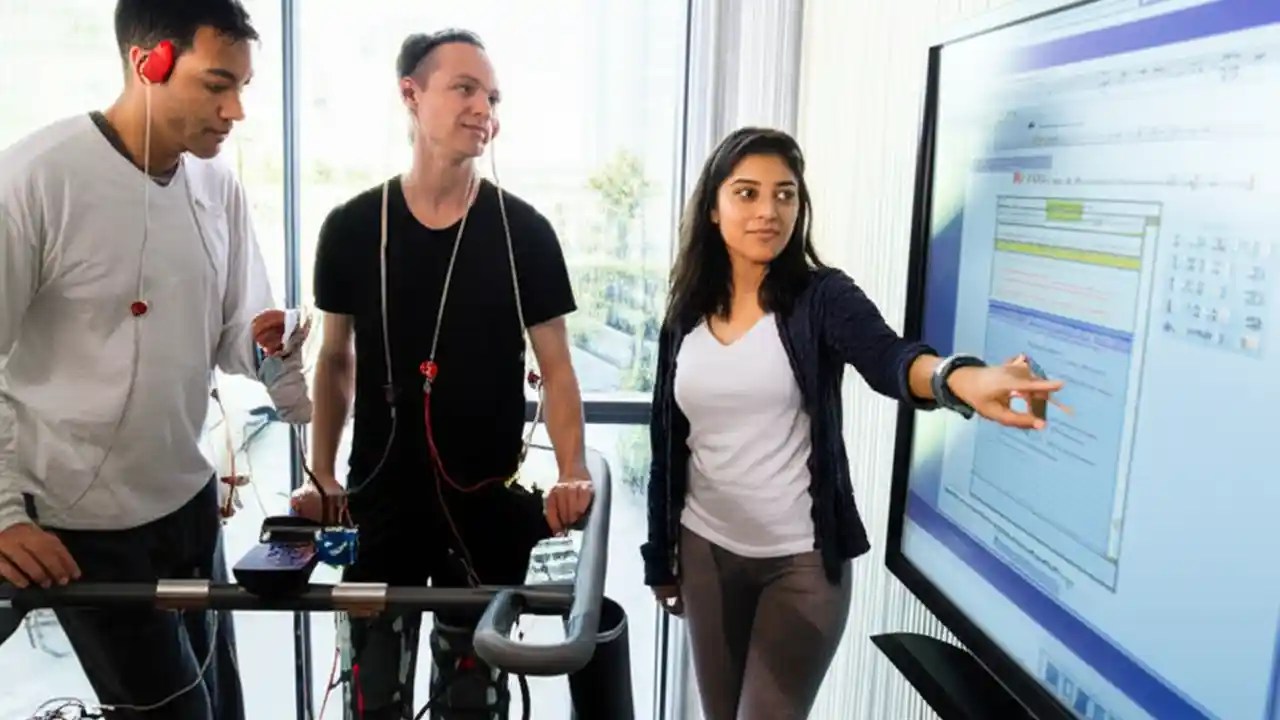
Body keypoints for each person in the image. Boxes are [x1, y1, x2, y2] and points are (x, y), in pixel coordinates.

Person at [641, 127, 1066, 720]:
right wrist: (660, 557)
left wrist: (958, 379)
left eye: (784, 194)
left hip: (800, 564)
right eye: (747, 193)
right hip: (706, 549)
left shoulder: (822, 298)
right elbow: (668, 439)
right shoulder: (686, 310)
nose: (768, 210)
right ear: (713, 208)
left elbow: (890, 358)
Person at [0, 2, 310, 718]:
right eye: (216, 84)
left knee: (219, 703)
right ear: (150, 63)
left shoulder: (216, 184)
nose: (235, 110)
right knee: (174, 713)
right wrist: (6, 516)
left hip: (186, 503)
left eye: (243, 88)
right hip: (84, 525)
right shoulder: (36, 180)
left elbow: (235, 337)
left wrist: (273, 349)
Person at [295, 29, 593, 719]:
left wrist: (572, 468)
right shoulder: (350, 227)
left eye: (491, 96)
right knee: (373, 700)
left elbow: (558, 367)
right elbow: (335, 359)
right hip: (380, 505)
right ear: (411, 94)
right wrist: (322, 474)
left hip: (484, 510)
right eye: (464, 88)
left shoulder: (526, 233)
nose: (483, 107)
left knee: (472, 702)